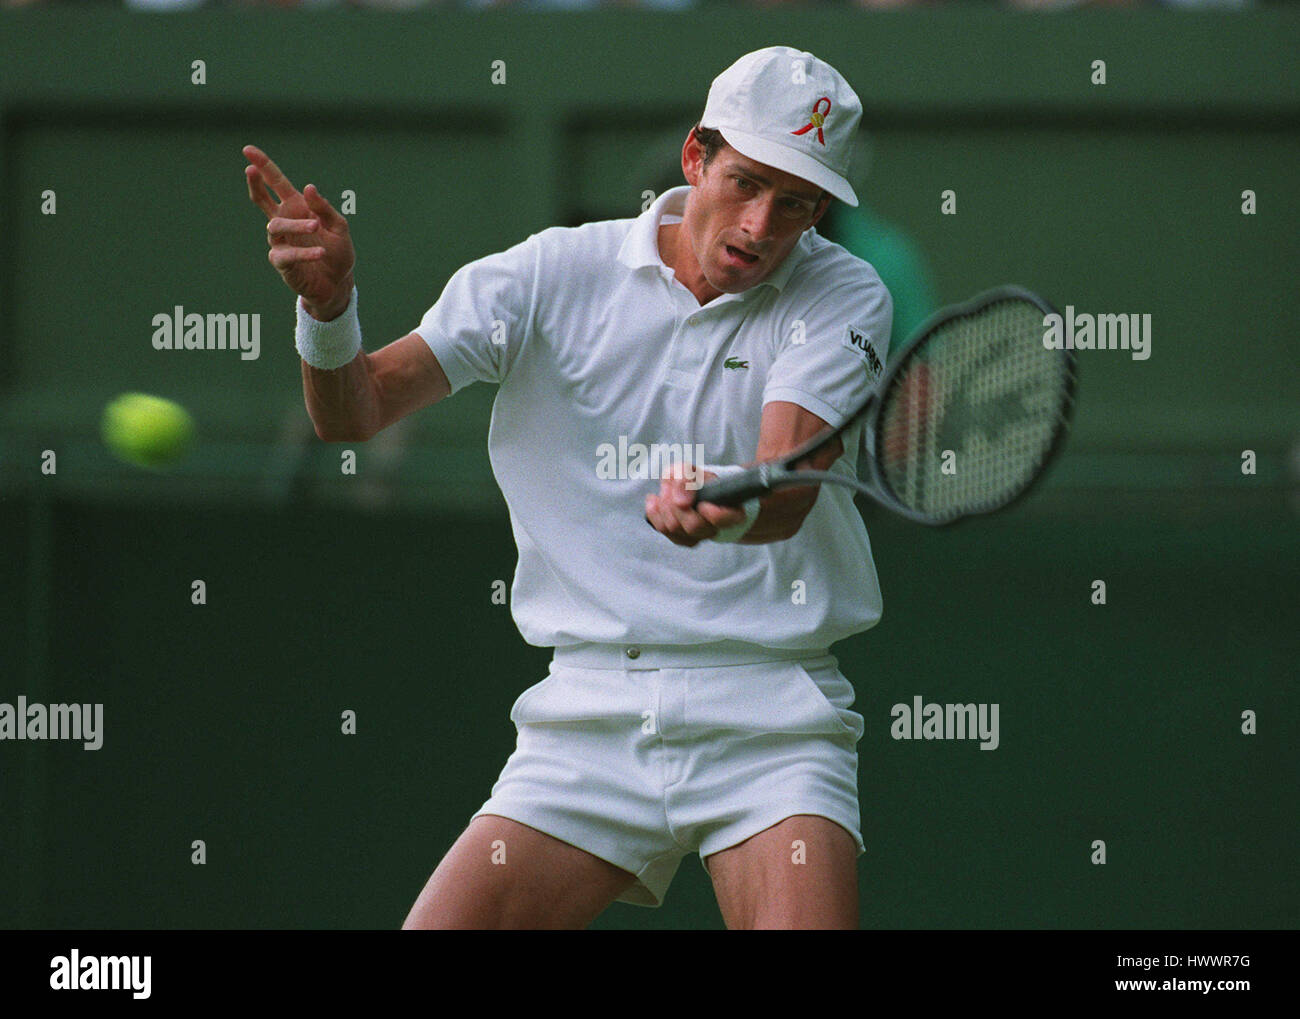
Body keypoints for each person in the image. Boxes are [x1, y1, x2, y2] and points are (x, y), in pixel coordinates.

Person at [243, 45, 892, 929]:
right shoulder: (547, 276)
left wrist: (721, 507)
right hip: (588, 713)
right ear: (696, 156)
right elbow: (356, 411)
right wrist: (328, 310)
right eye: (746, 182)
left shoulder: (843, 293)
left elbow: (788, 487)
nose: (762, 224)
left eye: (797, 203)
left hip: (772, 713)